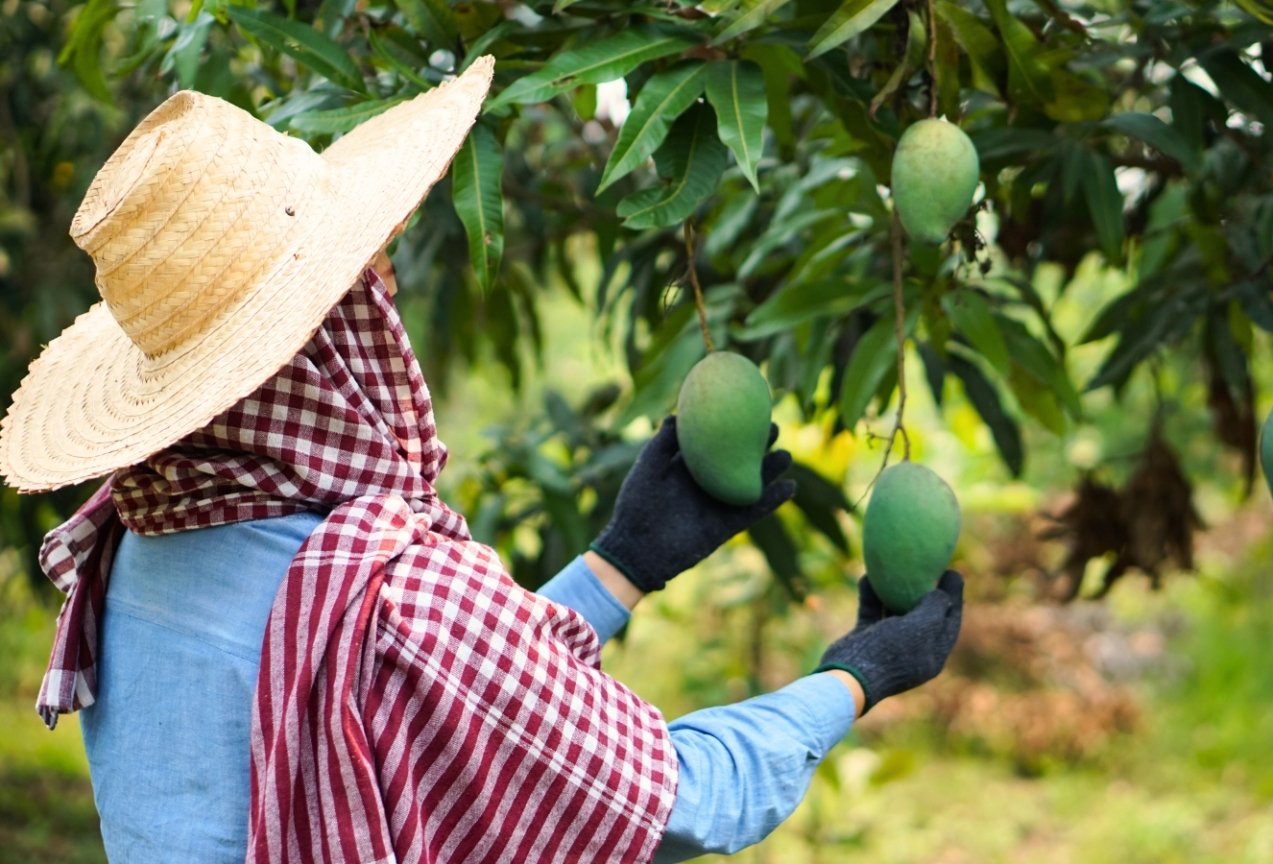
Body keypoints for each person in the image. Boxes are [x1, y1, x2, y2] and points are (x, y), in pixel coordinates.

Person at [0, 56, 966, 863]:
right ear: (338, 340)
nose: (387, 290)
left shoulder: (130, 548)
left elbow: (427, 689)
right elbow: (673, 805)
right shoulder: (387, 593)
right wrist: (858, 674)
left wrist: (619, 567)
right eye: (366, 279)